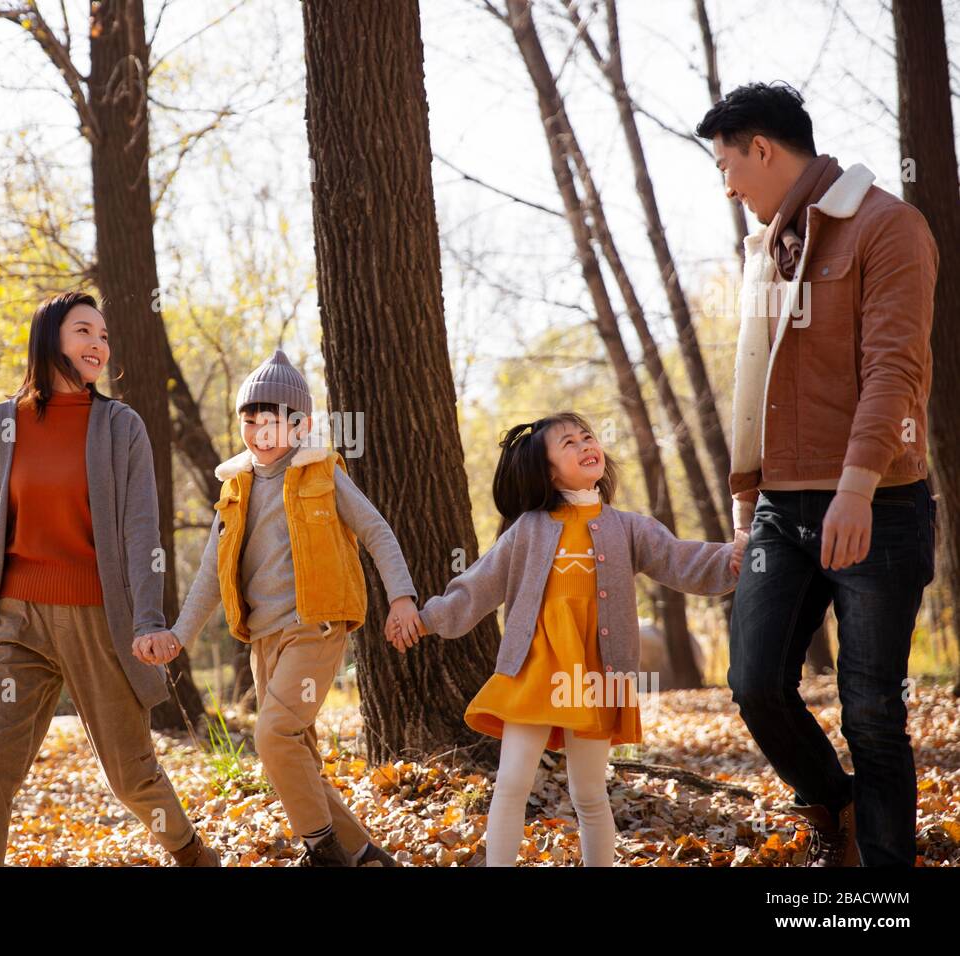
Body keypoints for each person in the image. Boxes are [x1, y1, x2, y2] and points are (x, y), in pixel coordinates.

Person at [697, 82, 938, 866]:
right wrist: (745, 505)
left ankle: (885, 888)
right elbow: (748, 382)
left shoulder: (887, 226)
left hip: (881, 502)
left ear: (762, 149)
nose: (726, 185)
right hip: (780, 506)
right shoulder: (765, 248)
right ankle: (833, 805)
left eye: (727, 165)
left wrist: (859, 486)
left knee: (872, 712)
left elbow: (895, 369)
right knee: (754, 681)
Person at [391, 413, 736, 866]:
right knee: (512, 782)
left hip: (596, 676)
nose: (585, 445)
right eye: (568, 443)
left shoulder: (626, 527)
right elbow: (478, 585)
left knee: (590, 792)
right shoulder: (528, 530)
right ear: (549, 470)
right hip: (533, 672)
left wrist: (733, 559)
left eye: (587, 436)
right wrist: (426, 617)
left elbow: (679, 557)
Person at [0, 290, 217, 867]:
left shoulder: (120, 427)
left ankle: (194, 854)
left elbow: (142, 531)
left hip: (98, 619)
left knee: (131, 776)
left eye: (103, 336)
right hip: (15, 622)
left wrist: (148, 619)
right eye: (83, 332)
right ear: (50, 338)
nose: (98, 345)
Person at [155, 348, 421, 866]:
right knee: (297, 755)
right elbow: (211, 574)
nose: (257, 430)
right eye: (248, 419)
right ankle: (364, 854)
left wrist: (402, 598)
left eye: (269, 418)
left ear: (300, 425)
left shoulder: (321, 474)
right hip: (263, 637)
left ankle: (323, 850)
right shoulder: (234, 489)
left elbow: (377, 532)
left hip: (315, 627)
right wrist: (177, 637)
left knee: (272, 735)